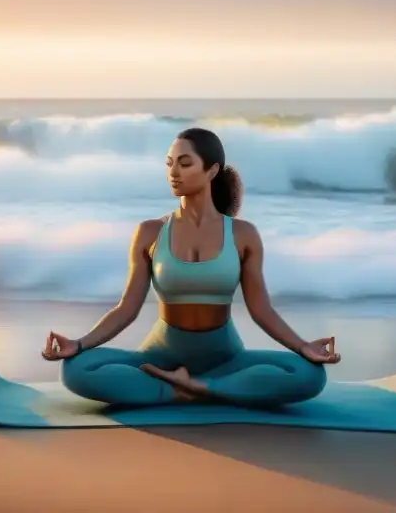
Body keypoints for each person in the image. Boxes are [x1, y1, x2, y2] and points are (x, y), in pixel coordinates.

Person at [40, 126, 341, 408]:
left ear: (211, 170)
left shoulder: (242, 234)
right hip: (160, 356)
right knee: (76, 370)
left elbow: (261, 310)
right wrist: (78, 345)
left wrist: (303, 347)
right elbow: (126, 309)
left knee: (309, 374)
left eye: (184, 163)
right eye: (169, 163)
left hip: (225, 356)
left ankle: (199, 385)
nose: (173, 172)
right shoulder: (150, 232)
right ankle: (185, 389)